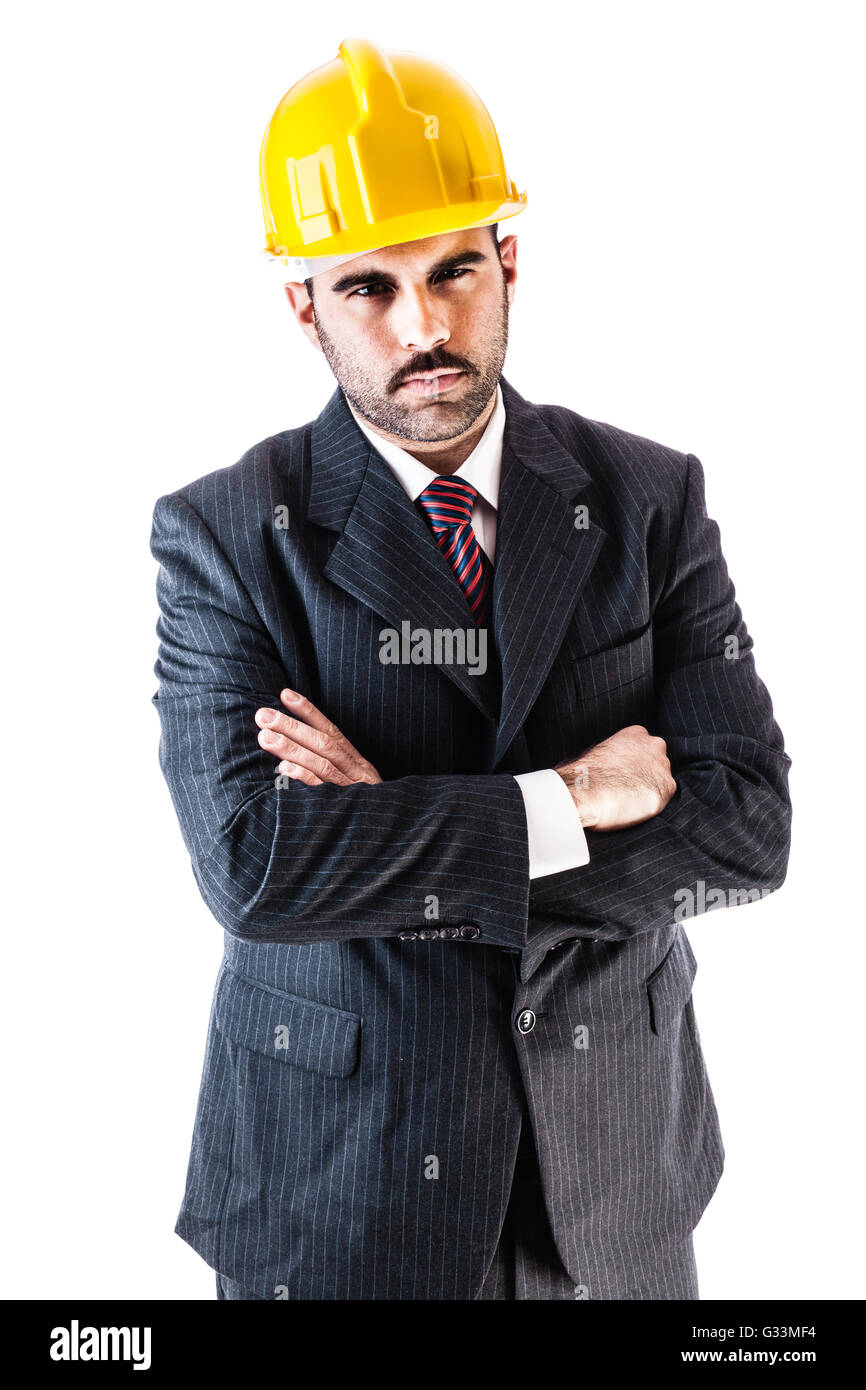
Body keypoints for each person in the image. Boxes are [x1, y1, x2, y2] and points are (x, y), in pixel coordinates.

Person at [150, 36, 792, 1301]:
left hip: (608, 1184)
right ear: (303, 305)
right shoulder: (226, 533)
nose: (425, 327)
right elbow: (255, 870)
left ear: (509, 259)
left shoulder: (649, 499)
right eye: (367, 289)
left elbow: (749, 832)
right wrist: (567, 800)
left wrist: (383, 836)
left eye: (453, 270)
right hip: (342, 1187)